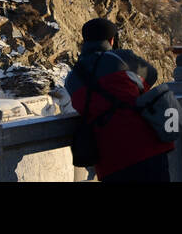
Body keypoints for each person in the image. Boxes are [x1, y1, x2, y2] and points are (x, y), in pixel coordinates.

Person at [64, 18, 173, 182]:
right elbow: (151, 76)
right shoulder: (121, 58)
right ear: (112, 40)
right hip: (146, 147)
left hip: (109, 159)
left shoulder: (72, 79)